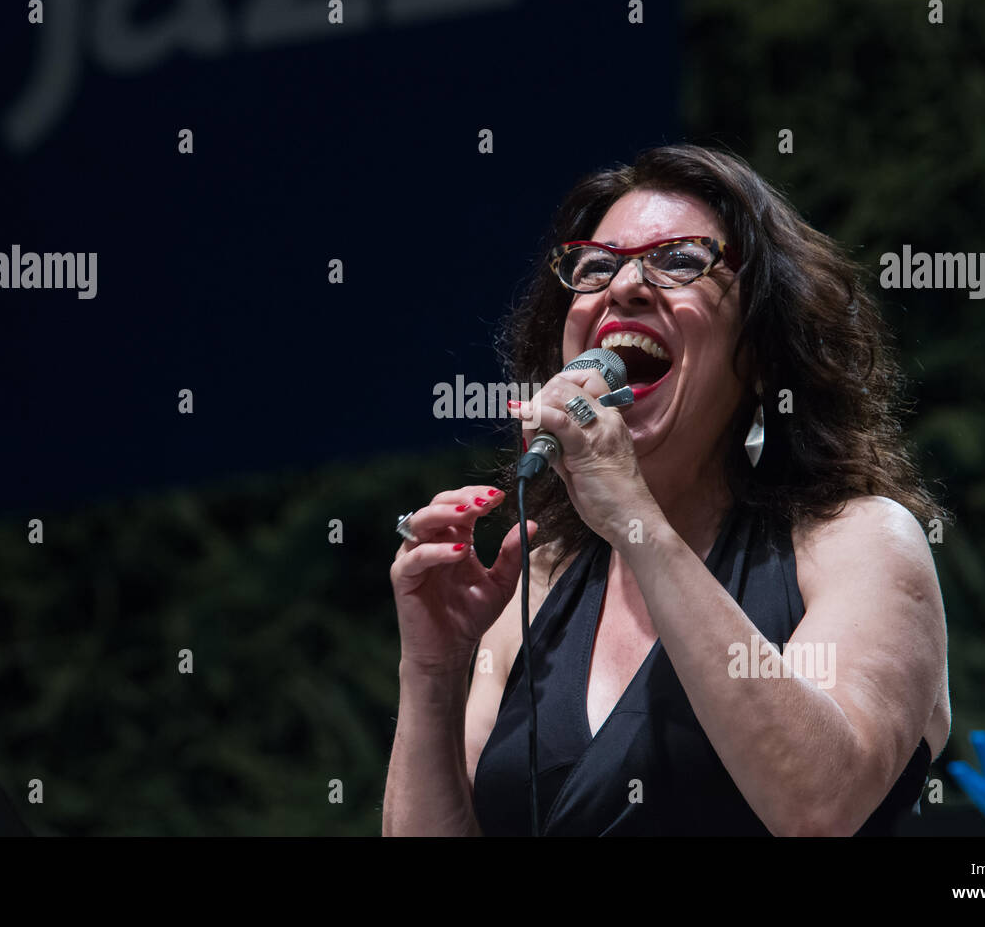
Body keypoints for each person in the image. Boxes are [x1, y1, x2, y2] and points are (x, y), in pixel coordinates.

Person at [382, 143, 950, 836]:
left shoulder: (862, 543)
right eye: (594, 266)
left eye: (679, 259)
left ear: (765, 355)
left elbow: (816, 806)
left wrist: (635, 520)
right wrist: (432, 669)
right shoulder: (537, 582)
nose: (623, 285)